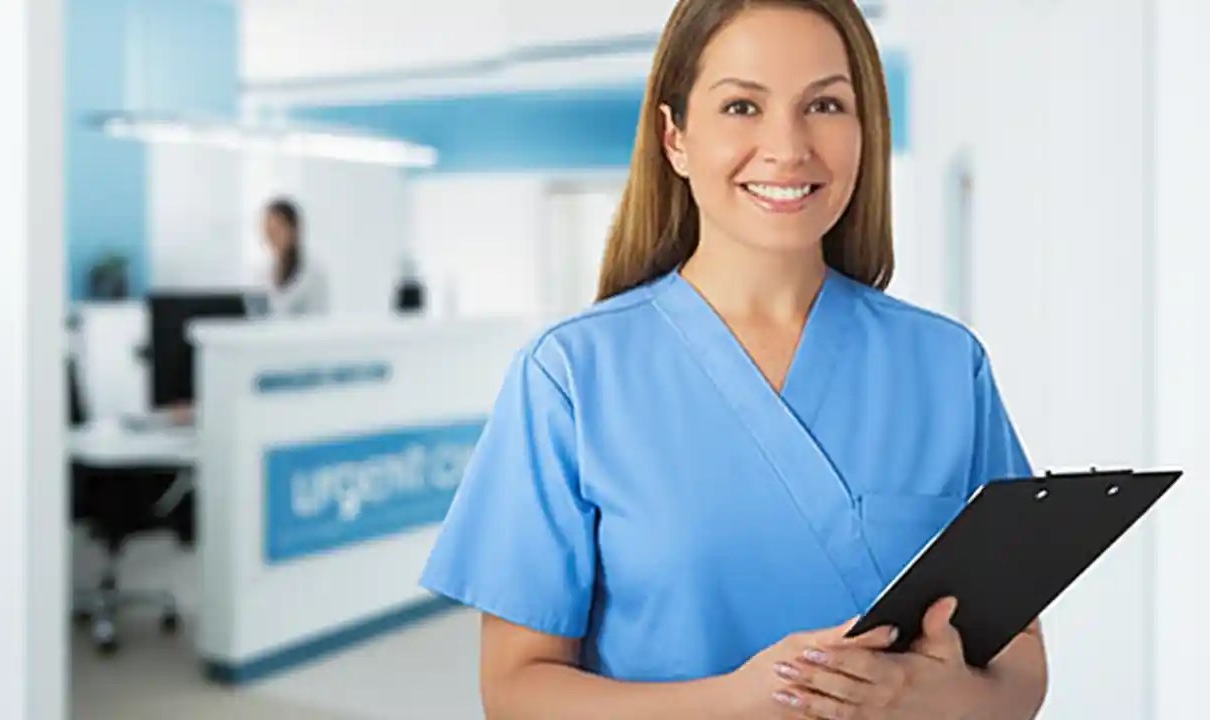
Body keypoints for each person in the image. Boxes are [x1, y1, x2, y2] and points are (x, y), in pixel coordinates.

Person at [420, 0, 1049, 717]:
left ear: (865, 132)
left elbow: (1020, 662)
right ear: (675, 137)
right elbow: (514, 690)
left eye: (826, 104)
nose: (788, 146)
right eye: (743, 106)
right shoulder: (570, 377)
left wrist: (937, 698)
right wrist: (732, 703)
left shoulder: (946, 366)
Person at [261, 198, 328, 316]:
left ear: (294, 230)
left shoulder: (314, 273)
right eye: (268, 231)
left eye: (276, 230)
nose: (270, 238)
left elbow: (319, 320)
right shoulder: (265, 271)